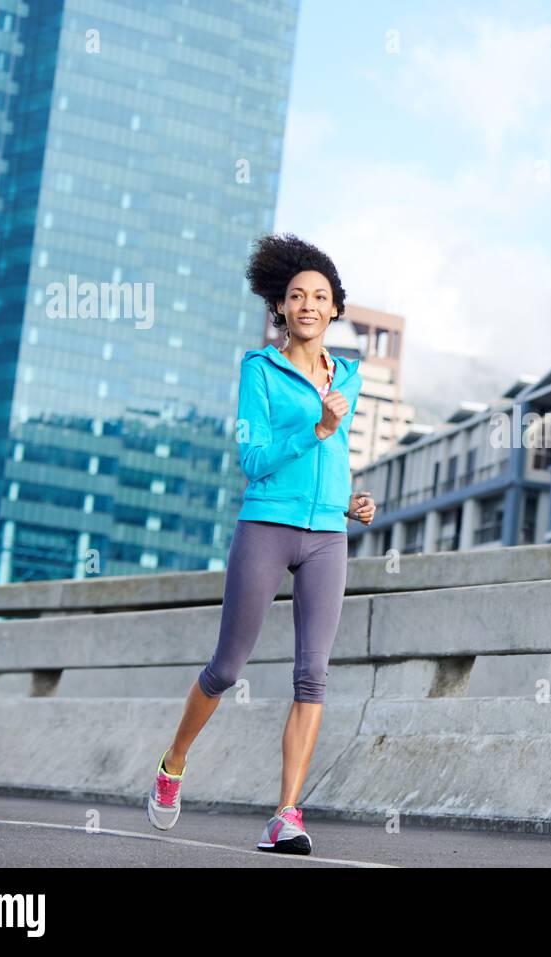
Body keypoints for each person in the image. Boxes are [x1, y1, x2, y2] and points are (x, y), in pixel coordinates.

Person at [146, 233, 376, 854]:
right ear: (281, 308)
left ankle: (286, 816)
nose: (307, 304)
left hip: (328, 536)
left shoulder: (350, 377)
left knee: (314, 675)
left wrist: (349, 501)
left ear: (334, 309)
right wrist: (317, 428)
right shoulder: (259, 371)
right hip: (266, 528)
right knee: (227, 665)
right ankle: (173, 764)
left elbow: (336, 455)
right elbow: (253, 459)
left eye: (320, 296)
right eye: (296, 295)